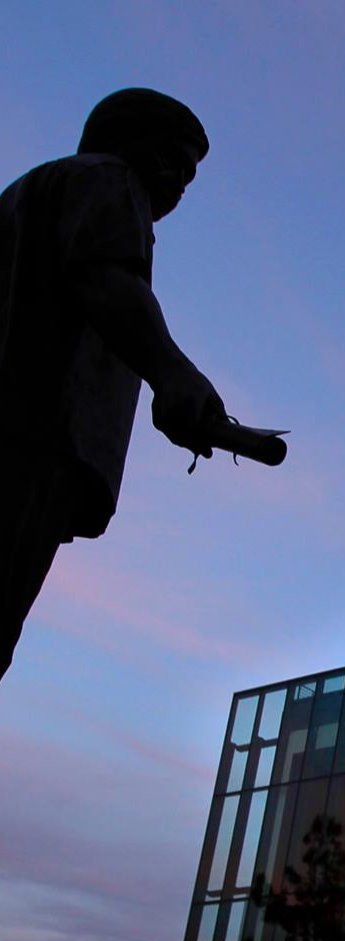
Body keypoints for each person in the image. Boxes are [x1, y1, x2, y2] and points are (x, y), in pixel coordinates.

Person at [0, 88, 226, 680]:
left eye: (191, 173)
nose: (180, 180)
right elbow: (105, 279)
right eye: (173, 159)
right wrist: (174, 374)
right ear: (130, 143)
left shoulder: (28, 195)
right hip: (31, 436)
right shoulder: (108, 181)